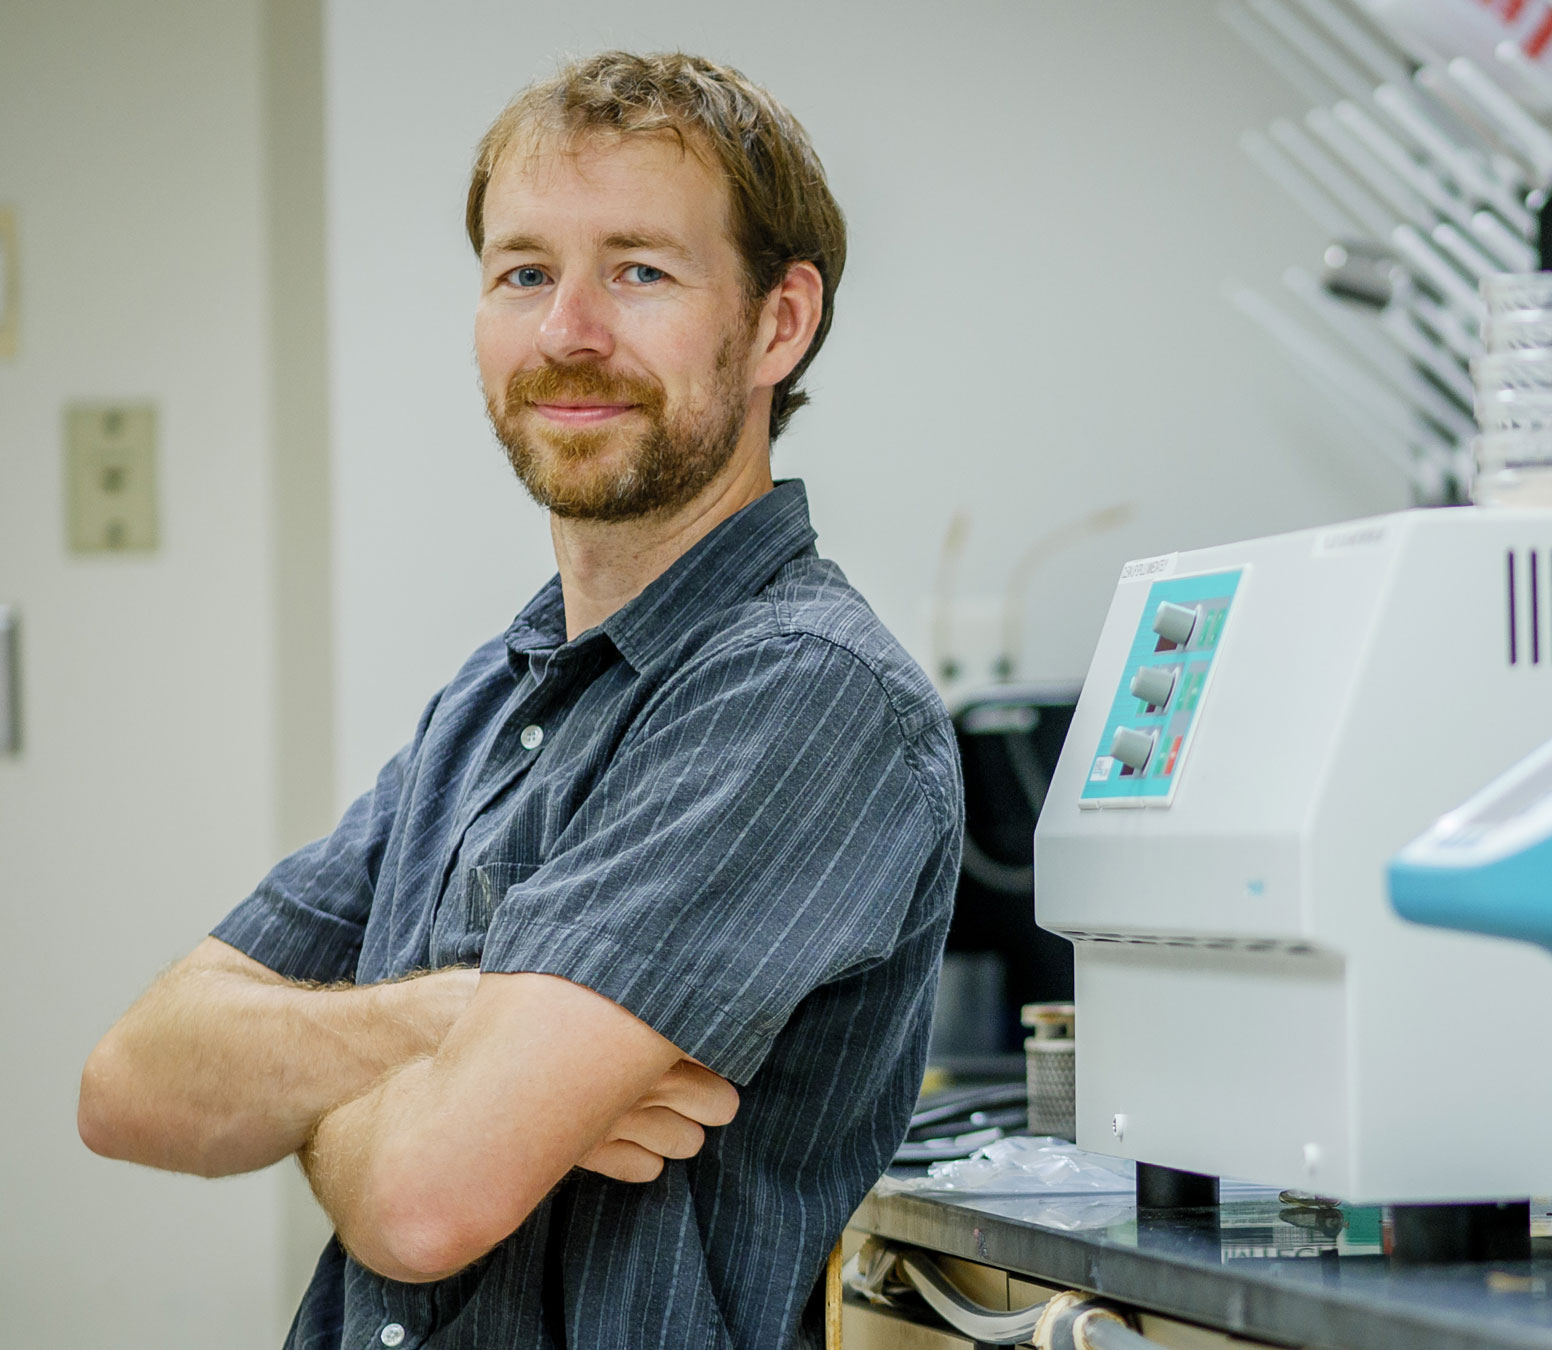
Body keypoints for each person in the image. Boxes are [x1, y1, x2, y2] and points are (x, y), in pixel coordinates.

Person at [76, 51, 960, 1350]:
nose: (568, 332)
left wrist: (307, 1083)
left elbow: (428, 1199)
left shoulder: (802, 696)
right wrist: (447, 1021)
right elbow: (132, 1081)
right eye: (524, 271)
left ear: (780, 321)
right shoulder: (493, 702)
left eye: (640, 269)